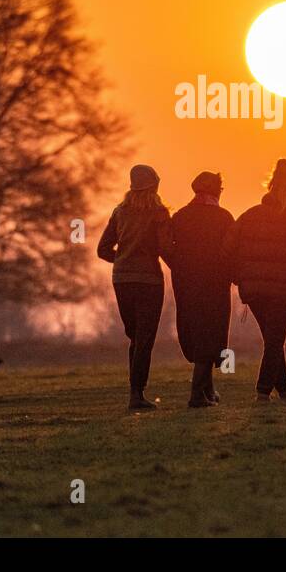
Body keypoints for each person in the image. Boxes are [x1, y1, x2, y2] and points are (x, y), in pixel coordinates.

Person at [223, 159, 286, 401]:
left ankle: (285, 389)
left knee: (272, 338)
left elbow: (227, 249)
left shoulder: (250, 215)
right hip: (284, 288)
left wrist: (240, 278)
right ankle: (262, 391)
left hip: (255, 289)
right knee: (274, 339)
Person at [97, 164, 172, 410]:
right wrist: (182, 267)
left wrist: (121, 259)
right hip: (149, 281)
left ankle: (135, 393)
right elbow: (164, 248)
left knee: (135, 337)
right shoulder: (159, 212)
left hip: (122, 281)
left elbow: (102, 249)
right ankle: (136, 393)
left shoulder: (120, 212)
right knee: (144, 338)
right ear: (154, 186)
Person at [167, 171, 235, 408]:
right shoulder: (224, 218)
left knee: (195, 330)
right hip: (215, 283)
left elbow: (167, 247)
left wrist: (178, 267)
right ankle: (197, 394)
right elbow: (231, 251)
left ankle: (208, 389)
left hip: (186, 283)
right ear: (217, 190)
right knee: (212, 331)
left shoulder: (180, 217)